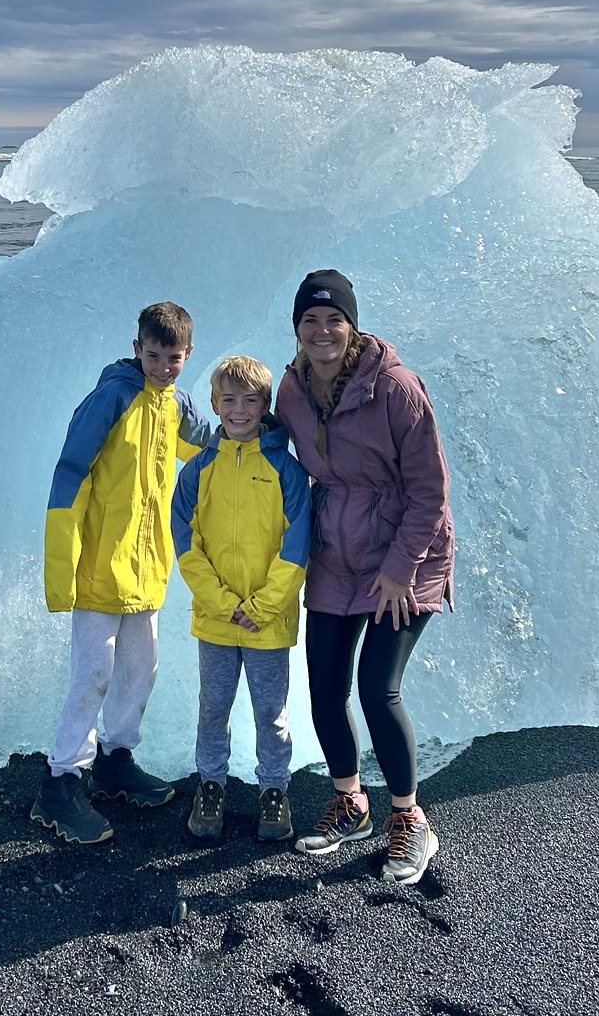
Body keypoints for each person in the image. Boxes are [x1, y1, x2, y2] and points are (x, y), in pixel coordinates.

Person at [273, 270, 453, 886]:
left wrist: (401, 570)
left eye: (334, 320)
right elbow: (266, 447)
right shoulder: (292, 393)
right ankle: (349, 800)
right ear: (296, 329)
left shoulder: (396, 388)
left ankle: (409, 818)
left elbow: (430, 490)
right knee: (324, 684)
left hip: (407, 554)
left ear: (351, 326)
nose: (322, 331)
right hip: (335, 552)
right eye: (310, 321)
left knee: (379, 687)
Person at [30, 302, 213, 845]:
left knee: (141, 669)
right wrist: (63, 570)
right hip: (99, 569)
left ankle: (115, 760)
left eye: (173, 357)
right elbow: (69, 477)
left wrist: (272, 428)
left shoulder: (174, 404)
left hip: (146, 569)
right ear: (136, 349)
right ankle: (61, 781)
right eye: (153, 355)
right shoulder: (111, 398)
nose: (162, 366)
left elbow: (215, 441)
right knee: (93, 675)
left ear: (188, 355)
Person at [173, 355, 311, 844]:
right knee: (213, 707)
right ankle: (210, 784)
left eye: (249, 400)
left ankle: (274, 791)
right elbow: (185, 542)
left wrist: (260, 606)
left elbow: (296, 548)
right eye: (228, 400)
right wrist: (220, 602)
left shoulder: (286, 471)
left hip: (266, 624)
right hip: (216, 621)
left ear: (264, 404)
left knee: (270, 714)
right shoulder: (198, 469)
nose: (238, 410)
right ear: (213, 404)